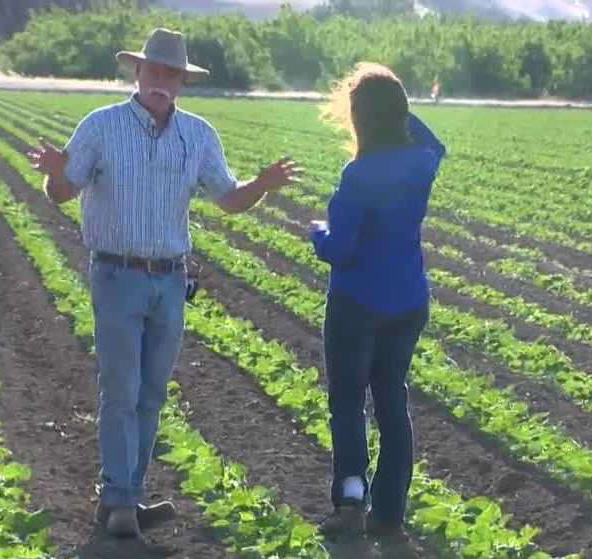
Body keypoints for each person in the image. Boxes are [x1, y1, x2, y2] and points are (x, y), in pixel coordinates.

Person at [26, 28, 302, 539]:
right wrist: (56, 173)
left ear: (181, 82)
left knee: (151, 394)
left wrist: (262, 185)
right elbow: (62, 192)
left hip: (170, 281)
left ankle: (125, 495)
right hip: (116, 274)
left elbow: (229, 198)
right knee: (120, 389)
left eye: (171, 75)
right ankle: (121, 500)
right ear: (138, 73)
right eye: (153, 72)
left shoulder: (198, 135)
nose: (161, 82)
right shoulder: (101, 126)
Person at [308, 62, 446, 542]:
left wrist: (317, 235)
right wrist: (395, 103)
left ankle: (349, 502)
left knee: (347, 404)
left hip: (357, 302)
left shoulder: (358, 175)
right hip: (408, 300)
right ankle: (389, 512)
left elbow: (342, 248)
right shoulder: (423, 161)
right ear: (402, 114)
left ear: (359, 118)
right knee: (391, 400)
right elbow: (436, 142)